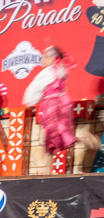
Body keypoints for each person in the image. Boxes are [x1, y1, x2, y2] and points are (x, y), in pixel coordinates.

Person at [23, 46, 76, 174]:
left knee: (50, 137)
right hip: (63, 105)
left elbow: (35, 88)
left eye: (45, 57)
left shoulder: (47, 72)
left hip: (52, 106)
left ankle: (48, 172)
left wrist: (29, 101)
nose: (43, 60)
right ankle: (55, 169)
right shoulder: (61, 69)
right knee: (62, 135)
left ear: (52, 58)